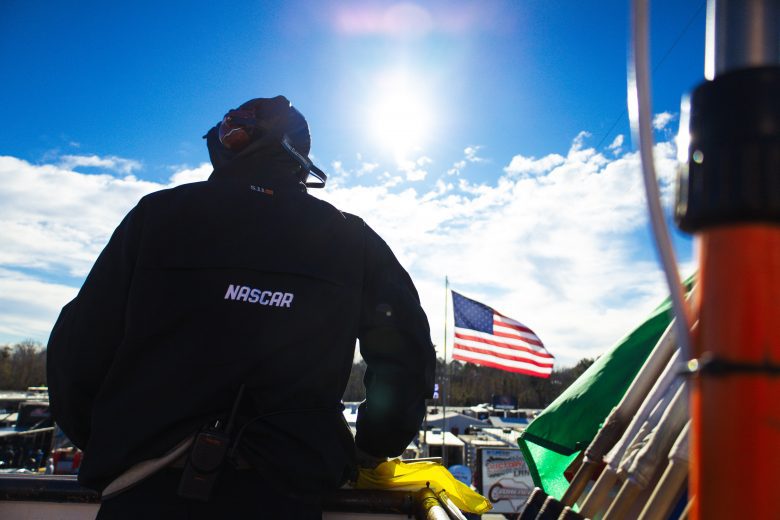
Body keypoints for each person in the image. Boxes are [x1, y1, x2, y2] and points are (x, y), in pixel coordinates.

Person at [47, 96, 436, 518]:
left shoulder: (157, 217)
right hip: (284, 493)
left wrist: (121, 443)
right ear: (298, 155)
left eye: (234, 127)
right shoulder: (354, 241)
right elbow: (407, 355)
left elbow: (77, 351)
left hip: (143, 490)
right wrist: (371, 448)